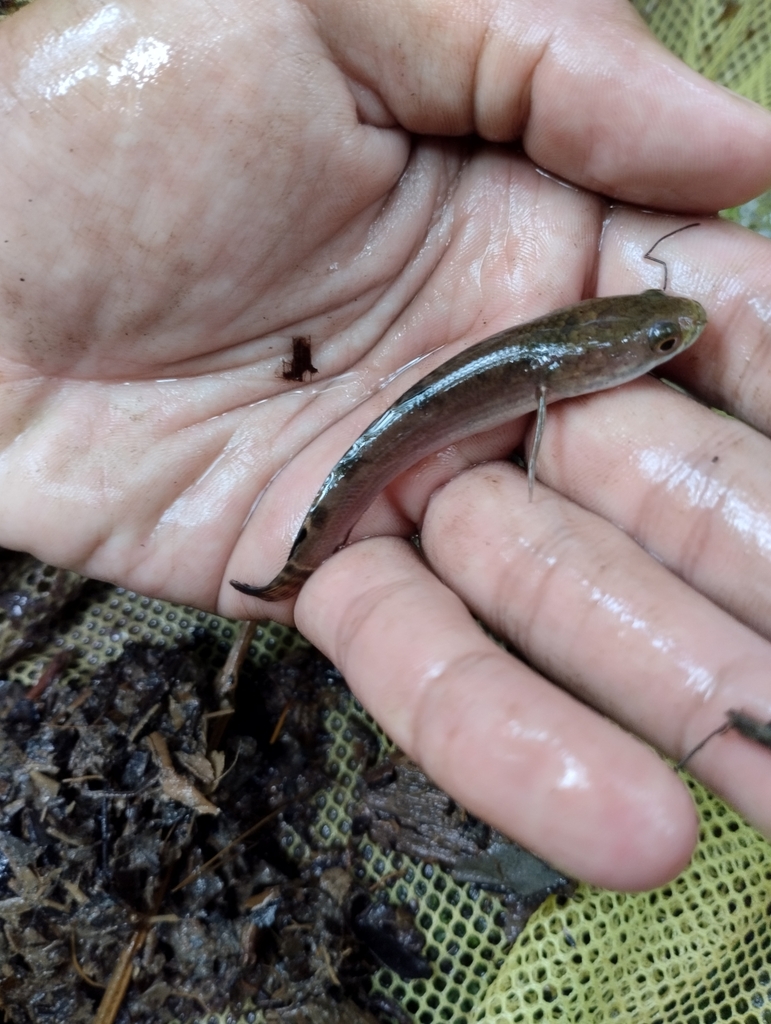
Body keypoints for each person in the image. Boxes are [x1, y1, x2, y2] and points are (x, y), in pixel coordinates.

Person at [1, 0, 771, 892]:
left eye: (660, 344)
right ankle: (296, 567)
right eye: (655, 344)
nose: (674, 340)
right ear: (569, 362)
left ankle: (297, 565)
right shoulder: (548, 365)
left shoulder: (560, 358)